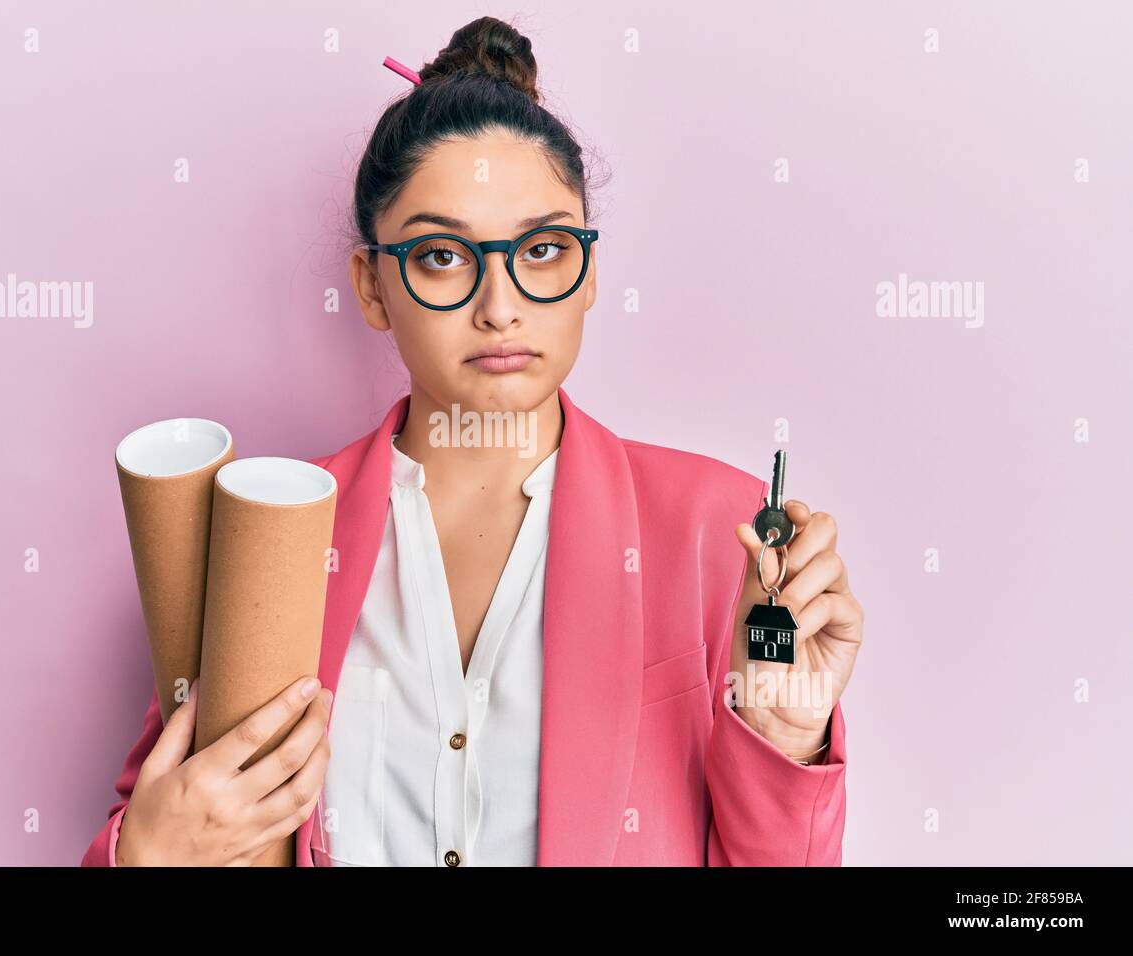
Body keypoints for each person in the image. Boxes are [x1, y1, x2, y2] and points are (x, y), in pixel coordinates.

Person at [81, 15, 864, 868]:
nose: (501, 303)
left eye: (543, 247)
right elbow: (167, 807)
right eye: (443, 255)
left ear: (589, 272)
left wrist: (783, 735)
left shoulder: (722, 528)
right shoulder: (266, 530)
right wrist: (146, 854)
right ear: (373, 287)